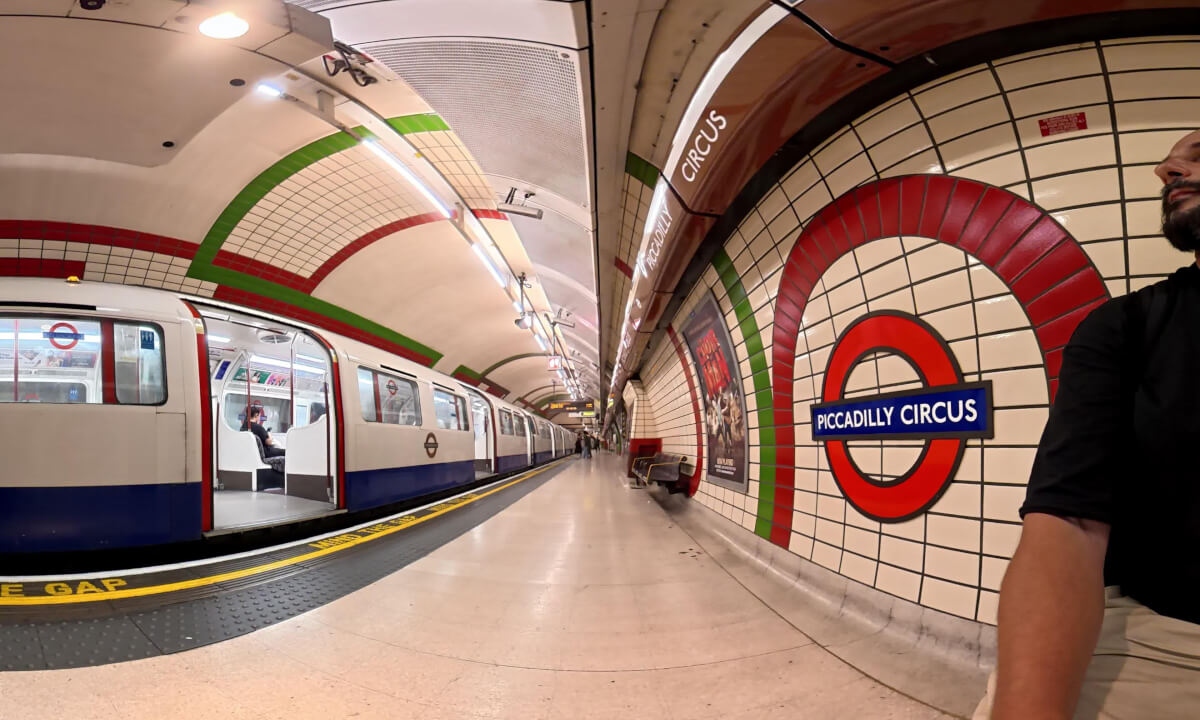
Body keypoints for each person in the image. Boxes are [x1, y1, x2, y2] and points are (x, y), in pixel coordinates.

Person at [978, 130, 1200, 719]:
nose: (1167, 169)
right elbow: (1068, 524)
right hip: (1171, 640)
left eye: (1197, 153)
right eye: (1172, 161)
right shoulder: (1125, 327)